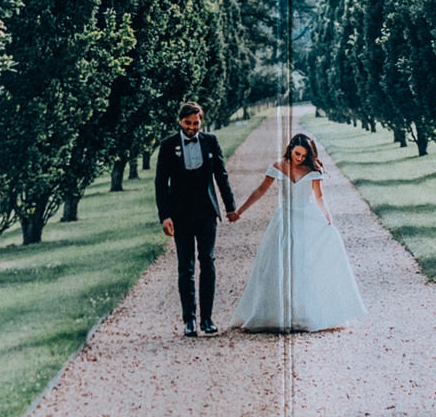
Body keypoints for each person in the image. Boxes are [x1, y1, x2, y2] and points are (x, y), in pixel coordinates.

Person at [230, 131, 368, 333]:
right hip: (284, 218)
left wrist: (327, 217)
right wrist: (240, 211)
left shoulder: (312, 170)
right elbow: (260, 190)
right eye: (297, 154)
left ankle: (305, 313)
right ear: (290, 149)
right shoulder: (278, 166)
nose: (300, 158)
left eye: (304, 155)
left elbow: (319, 197)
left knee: (305, 263)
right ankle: (274, 313)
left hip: (306, 217)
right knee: (275, 262)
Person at [153, 100, 238, 337]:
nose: (192, 127)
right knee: (186, 266)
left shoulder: (210, 142)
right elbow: (161, 183)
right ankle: (189, 320)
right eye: (188, 123)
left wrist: (230, 207)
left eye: (196, 123)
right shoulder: (168, 145)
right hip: (180, 215)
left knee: (207, 262)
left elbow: (221, 175)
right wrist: (165, 216)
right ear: (180, 121)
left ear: (201, 121)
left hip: (206, 212)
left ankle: (207, 319)